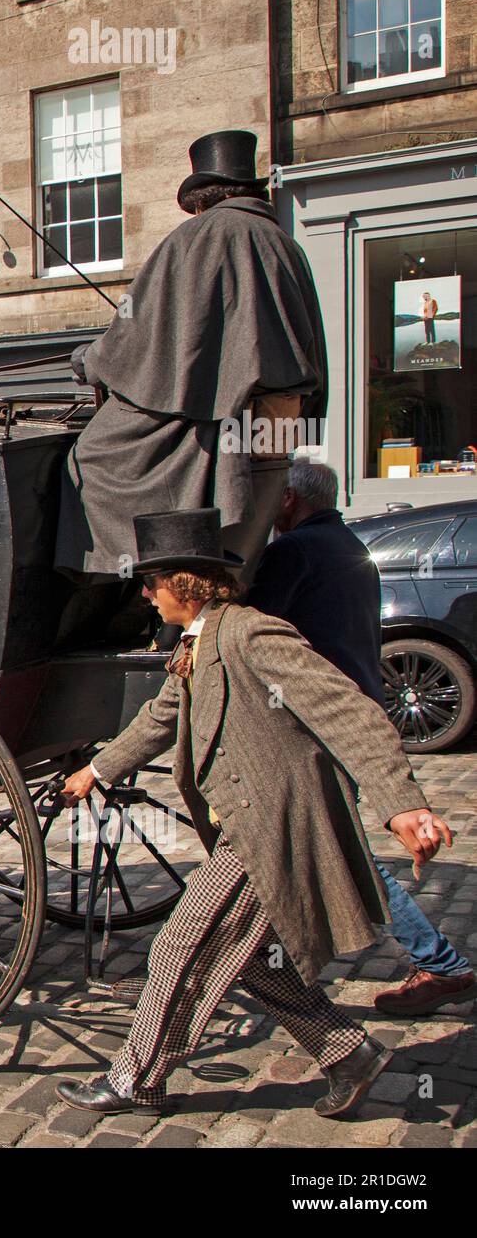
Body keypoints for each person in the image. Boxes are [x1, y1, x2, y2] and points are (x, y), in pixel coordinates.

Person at [54, 508, 451, 1117]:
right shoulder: (195, 644)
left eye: (152, 582)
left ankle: (136, 1080)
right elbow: (163, 718)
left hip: (268, 823)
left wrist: (402, 806)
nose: (145, 594)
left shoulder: (251, 634)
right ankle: (349, 1054)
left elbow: (348, 710)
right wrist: (95, 771)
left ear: (184, 583)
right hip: (243, 822)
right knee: (254, 964)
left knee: (179, 945)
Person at [247, 460, 474, 1014]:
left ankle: (441, 963)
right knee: (328, 846)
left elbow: (250, 630)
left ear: (290, 501)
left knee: (341, 850)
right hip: (354, 701)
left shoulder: (293, 553)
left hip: (317, 717)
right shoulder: (349, 546)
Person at [57, 130, 328, 576]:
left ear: (202, 199)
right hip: (277, 427)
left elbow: (137, 340)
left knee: (89, 457)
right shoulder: (287, 246)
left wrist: (91, 360)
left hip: (222, 423)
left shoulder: (195, 238)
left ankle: (126, 588)